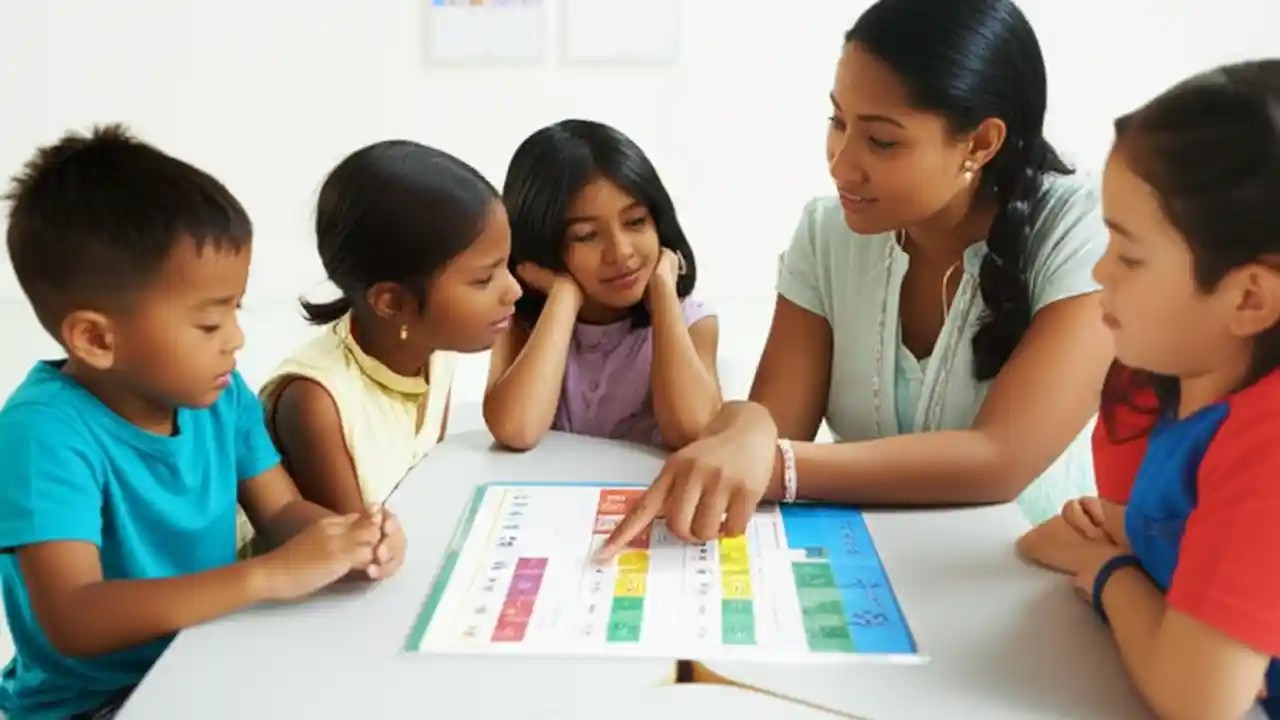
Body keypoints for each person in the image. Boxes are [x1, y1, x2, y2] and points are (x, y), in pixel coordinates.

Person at [600, 0, 1113, 555]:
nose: (840, 164)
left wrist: (775, 462)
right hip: (874, 568)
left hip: (1032, 571)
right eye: (838, 122)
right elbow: (776, 430)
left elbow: (1000, 459)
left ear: (980, 143)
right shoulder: (827, 234)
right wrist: (747, 424)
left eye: (882, 141)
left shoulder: (1081, 228)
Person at [0, 125, 405, 720]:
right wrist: (267, 577)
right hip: (93, 705)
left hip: (204, 662)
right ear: (96, 338)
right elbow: (73, 617)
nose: (235, 339)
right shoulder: (42, 435)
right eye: (209, 324)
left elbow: (282, 513)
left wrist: (351, 539)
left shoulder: (219, 395)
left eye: (236, 310)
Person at [1017, 59, 1280, 720]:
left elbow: (1201, 698)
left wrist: (1110, 575)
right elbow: (1102, 539)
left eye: (1130, 256)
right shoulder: (1153, 381)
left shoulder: (1269, 443)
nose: (1100, 272)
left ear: (1249, 298)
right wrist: (1121, 559)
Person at [253, 141, 519, 537]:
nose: (513, 290)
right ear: (391, 302)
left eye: (506, 267)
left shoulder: (434, 351)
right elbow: (357, 548)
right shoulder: (316, 403)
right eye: (484, 279)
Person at [484, 120, 721, 451]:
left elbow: (693, 432)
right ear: (542, 241)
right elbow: (516, 429)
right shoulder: (522, 323)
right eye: (586, 235)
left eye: (636, 221)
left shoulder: (693, 322)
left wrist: (664, 290)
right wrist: (564, 297)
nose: (621, 252)